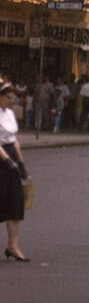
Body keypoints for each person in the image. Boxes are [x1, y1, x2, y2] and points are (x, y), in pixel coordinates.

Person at [0, 81, 30, 260]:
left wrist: (20, 163)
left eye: (13, 98)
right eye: (8, 98)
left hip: (10, 154)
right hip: (1, 156)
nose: (12, 101)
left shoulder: (10, 113)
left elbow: (14, 140)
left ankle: (13, 246)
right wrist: (7, 161)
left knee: (15, 203)